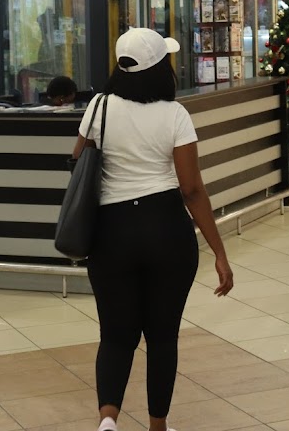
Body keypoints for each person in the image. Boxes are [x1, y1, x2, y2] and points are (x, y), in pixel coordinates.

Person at [71, 28, 234, 431]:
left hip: (112, 232)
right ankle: (157, 426)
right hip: (166, 230)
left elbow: (78, 160)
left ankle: (108, 420)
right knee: (163, 337)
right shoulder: (175, 115)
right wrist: (219, 252)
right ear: (160, 68)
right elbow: (192, 189)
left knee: (115, 334)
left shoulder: (99, 107)